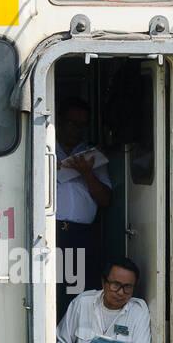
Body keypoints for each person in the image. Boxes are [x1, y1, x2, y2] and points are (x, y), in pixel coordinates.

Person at [55, 97, 111, 318]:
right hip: (50, 232)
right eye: (72, 123)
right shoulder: (43, 149)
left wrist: (87, 173)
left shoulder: (90, 155)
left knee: (79, 295)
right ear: (59, 121)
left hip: (80, 235)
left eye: (82, 125)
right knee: (51, 290)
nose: (76, 129)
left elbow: (106, 199)